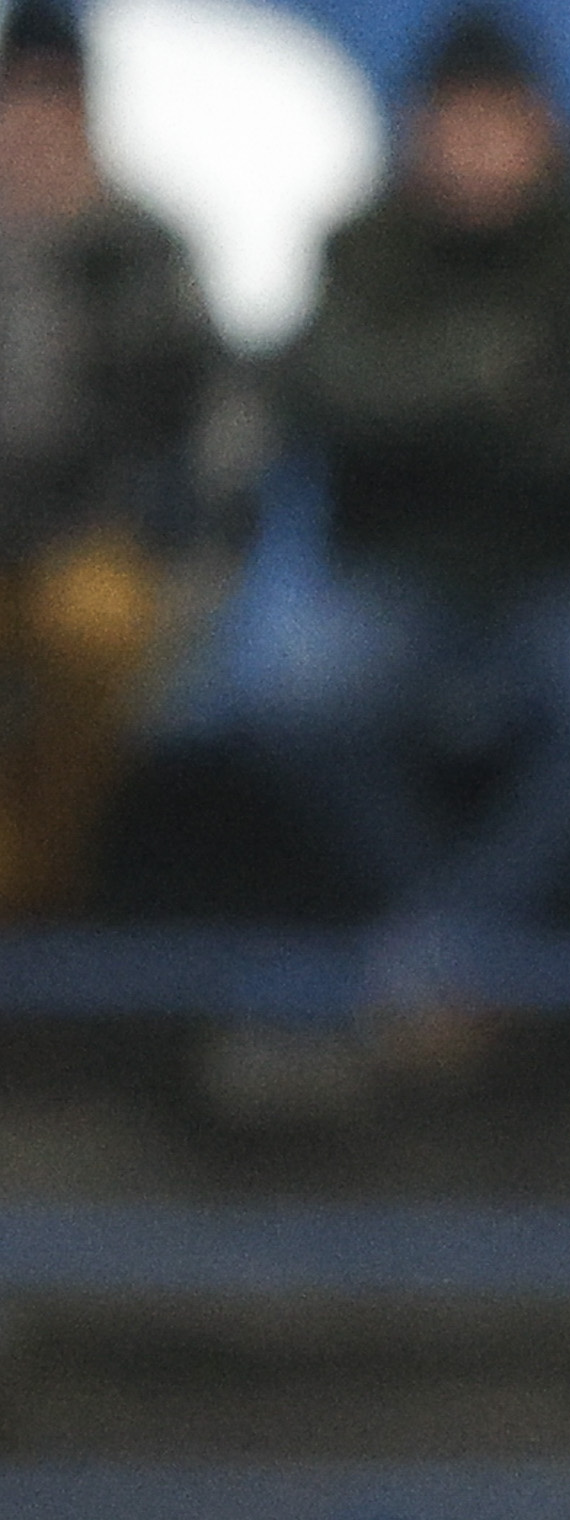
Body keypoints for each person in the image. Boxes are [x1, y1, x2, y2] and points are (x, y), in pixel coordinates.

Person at [240, 5, 570, 983]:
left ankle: (454, 944)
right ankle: (452, 940)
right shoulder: (361, 248)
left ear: (545, 128)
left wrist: (426, 414)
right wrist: (493, 378)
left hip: (569, 582)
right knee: (297, 693)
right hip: (398, 579)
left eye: (501, 123)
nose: (478, 150)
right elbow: (324, 400)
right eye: (456, 123)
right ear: (418, 131)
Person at [0, 0, 225, 917]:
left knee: (102, 631)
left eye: (59, 101)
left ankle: (29, 883)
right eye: (21, 98)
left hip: (85, 543)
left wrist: (192, 556)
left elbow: (213, 425)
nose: (38, 122)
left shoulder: (140, 248)